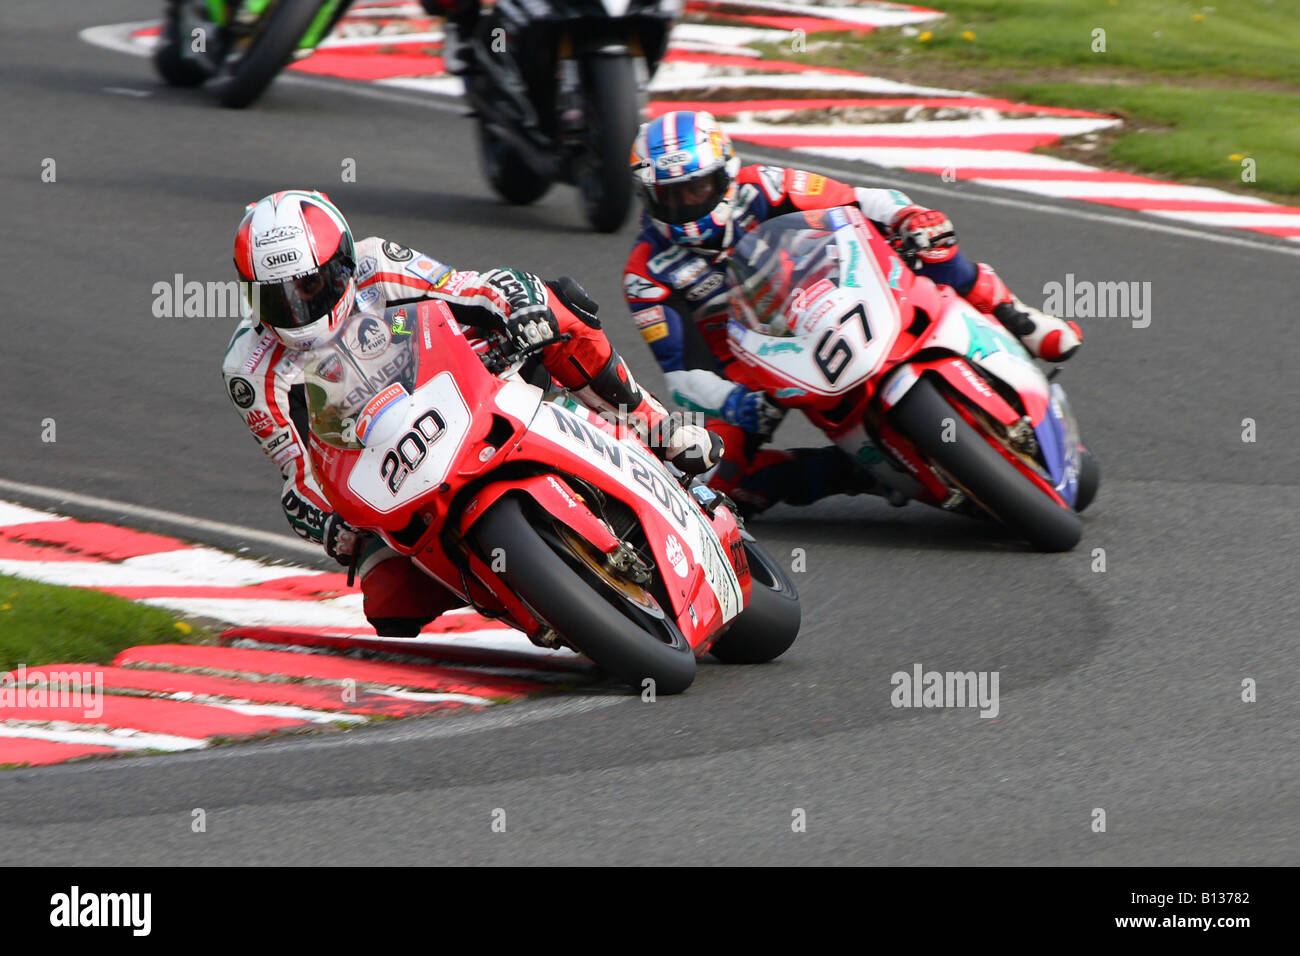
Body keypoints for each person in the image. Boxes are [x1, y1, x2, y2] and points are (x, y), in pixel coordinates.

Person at [223, 189, 720, 636]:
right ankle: (527, 597)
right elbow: (299, 471)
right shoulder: (250, 370)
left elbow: (464, 288)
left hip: (466, 388)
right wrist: (327, 522)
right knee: (390, 603)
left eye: (308, 287)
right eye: (277, 298)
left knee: (556, 302)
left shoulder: (377, 264)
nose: (297, 309)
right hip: (385, 473)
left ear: (343, 265)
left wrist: (517, 304)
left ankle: (652, 424)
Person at [624, 110, 1083, 516]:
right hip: (756, 371)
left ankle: (1016, 317)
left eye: (697, 187)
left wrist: (910, 217)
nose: (686, 205)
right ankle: (862, 472)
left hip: (838, 294)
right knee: (711, 486)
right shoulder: (646, 273)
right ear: (648, 198)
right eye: (671, 195)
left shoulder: (765, 185)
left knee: (934, 245)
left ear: (725, 174)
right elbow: (681, 374)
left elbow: (861, 199)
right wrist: (734, 401)